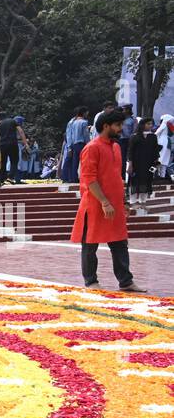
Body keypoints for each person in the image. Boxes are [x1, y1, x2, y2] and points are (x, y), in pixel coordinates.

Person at [72, 108, 143, 293]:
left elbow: (117, 177)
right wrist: (104, 202)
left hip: (114, 204)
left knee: (120, 243)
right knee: (90, 245)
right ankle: (91, 281)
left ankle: (126, 281)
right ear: (106, 126)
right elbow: (89, 179)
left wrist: (124, 200)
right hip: (95, 204)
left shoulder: (116, 147)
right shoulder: (91, 148)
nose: (121, 129)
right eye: (118, 125)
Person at [129, 117, 159, 215]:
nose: (150, 126)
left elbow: (155, 151)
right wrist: (130, 164)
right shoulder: (134, 136)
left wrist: (156, 163)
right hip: (137, 164)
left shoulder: (153, 137)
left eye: (151, 124)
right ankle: (133, 202)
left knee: (146, 181)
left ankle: (143, 202)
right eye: (148, 124)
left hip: (148, 164)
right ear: (142, 125)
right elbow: (130, 152)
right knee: (134, 181)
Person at [61, 107, 91, 184]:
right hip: (81, 144)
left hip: (73, 144)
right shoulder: (84, 122)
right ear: (83, 113)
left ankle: (72, 178)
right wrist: (89, 144)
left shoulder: (73, 122)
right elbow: (86, 135)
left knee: (74, 162)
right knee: (85, 162)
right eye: (86, 112)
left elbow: (69, 135)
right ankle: (84, 177)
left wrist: (70, 146)